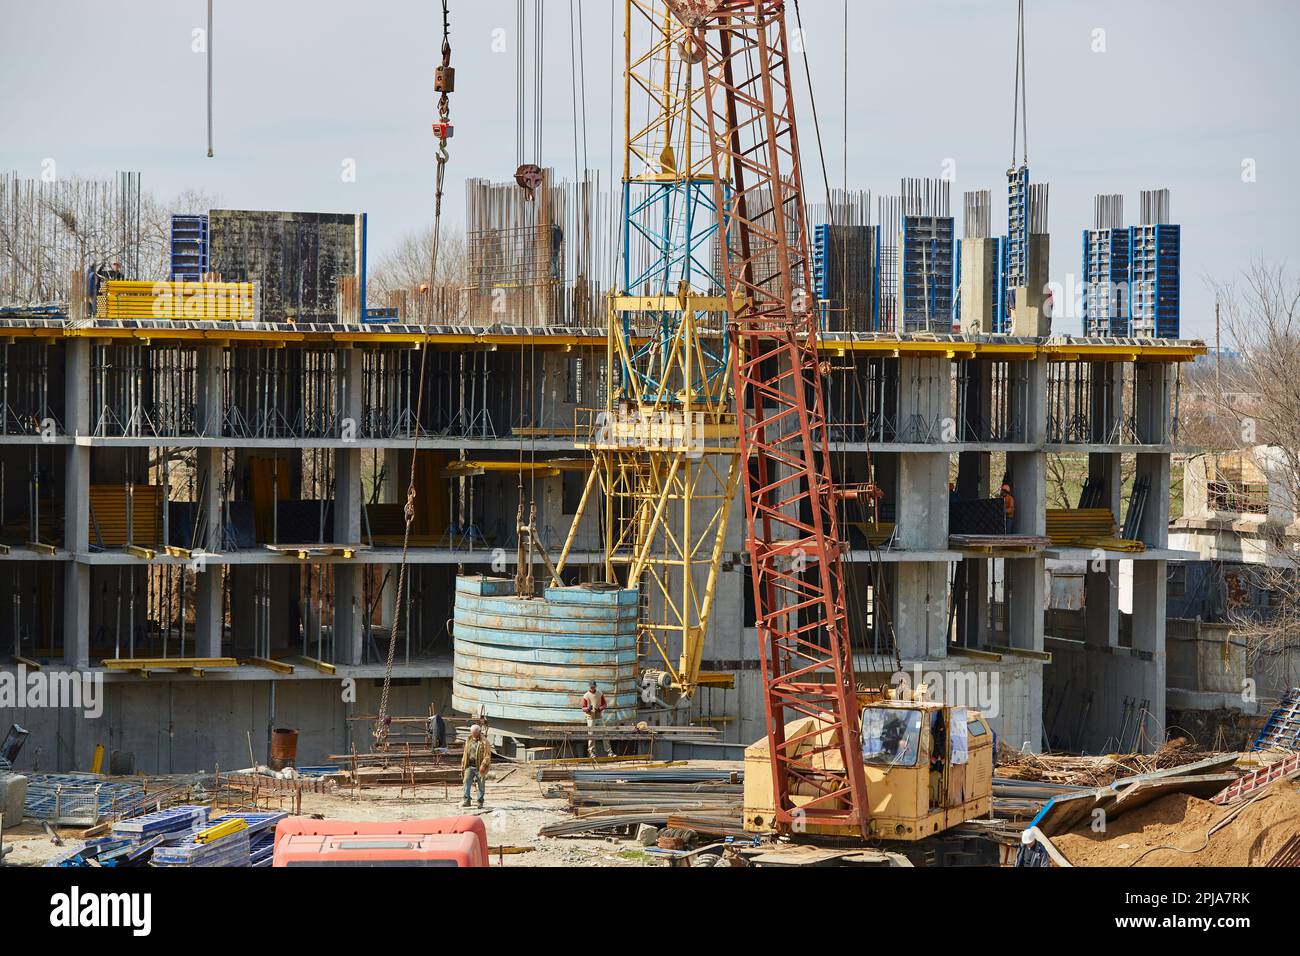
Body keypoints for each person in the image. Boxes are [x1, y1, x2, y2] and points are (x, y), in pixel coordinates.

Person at [581, 682, 615, 759]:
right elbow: (583, 707)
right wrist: (588, 709)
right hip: (590, 717)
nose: (592, 688)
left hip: (599, 716)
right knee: (591, 735)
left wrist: (600, 708)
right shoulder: (586, 696)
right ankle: (591, 752)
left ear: (595, 686)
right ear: (589, 687)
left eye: (593, 687)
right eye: (591, 687)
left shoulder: (600, 693)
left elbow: (604, 704)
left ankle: (609, 751)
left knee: (605, 733)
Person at [461, 724, 490, 809]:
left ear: (478, 732)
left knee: (481, 785)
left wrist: (483, 765)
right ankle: (467, 800)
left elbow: (487, 755)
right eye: (472, 733)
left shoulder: (484, 742)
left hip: (479, 767)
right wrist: (463, 764)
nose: (473, 734)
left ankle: (480, 802)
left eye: (474, 733)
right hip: (469, 765)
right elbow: (465, 753)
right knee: (466, 782)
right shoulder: (469, 740)